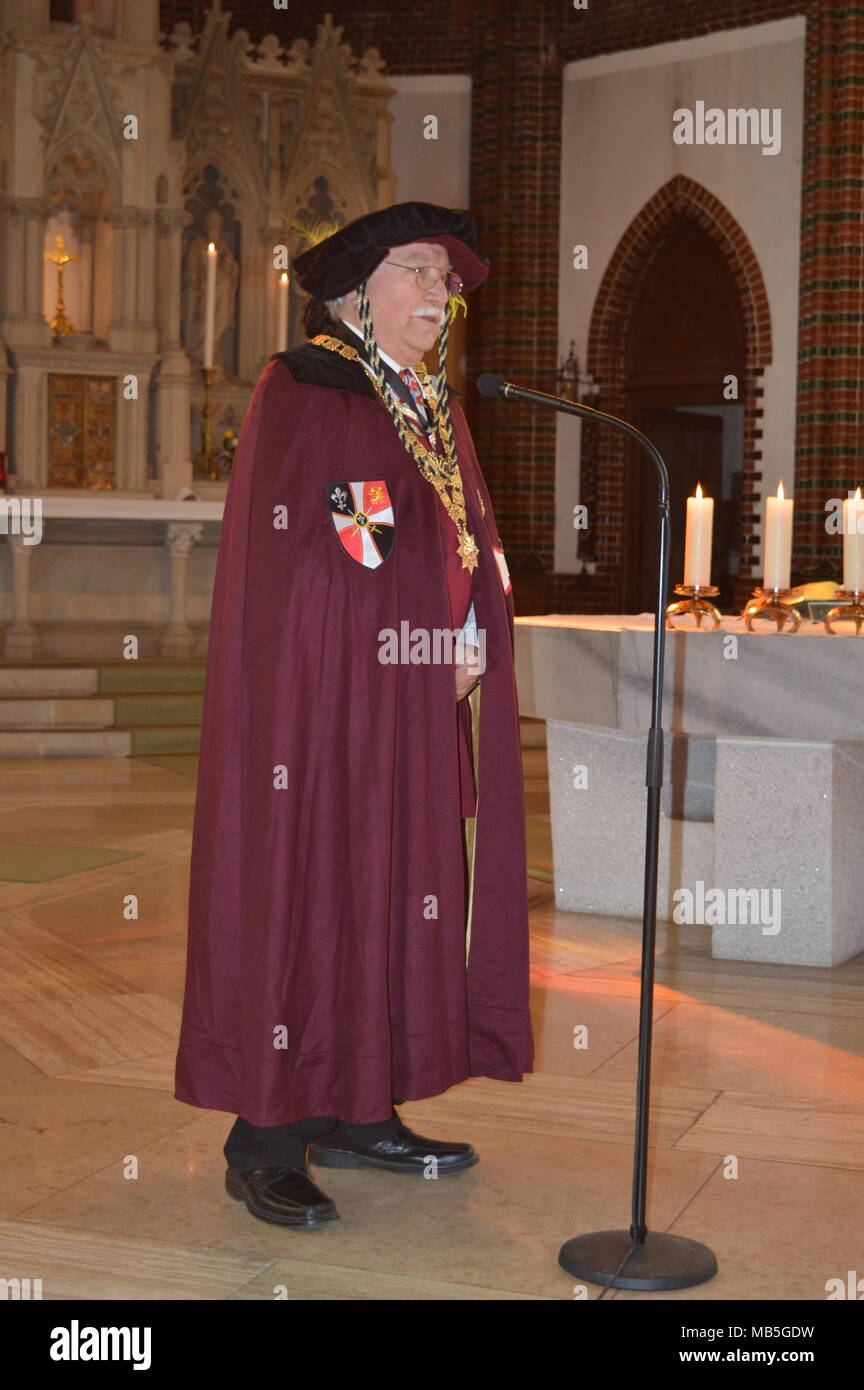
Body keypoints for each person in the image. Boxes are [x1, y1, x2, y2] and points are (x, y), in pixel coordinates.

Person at [174, 201, 533, 1229]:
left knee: (400, 891)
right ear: (356, 291)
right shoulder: (311, 385)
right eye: (420, 272)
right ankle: (269, 1135)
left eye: (448, 280)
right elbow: (344, 551)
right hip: (323, 718)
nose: (443, 294)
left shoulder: (432, 403)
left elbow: (463, 541)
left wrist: (470, 640)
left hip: (412, 703)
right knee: (314, 895)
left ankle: (360, 1106)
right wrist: (432, 635)